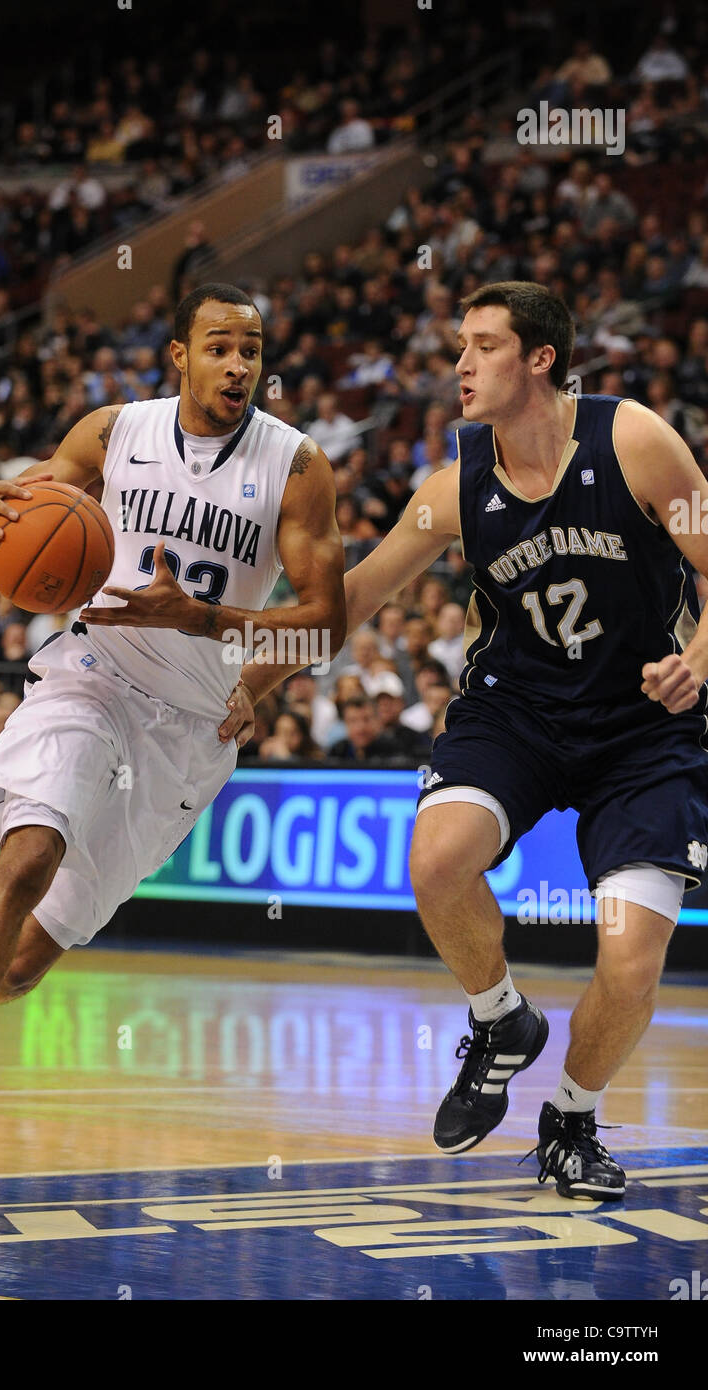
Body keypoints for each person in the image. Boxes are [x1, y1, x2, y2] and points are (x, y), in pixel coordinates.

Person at [0, 283, 346, 1185]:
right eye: (222, 347)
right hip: (93, 675)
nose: (241, 365)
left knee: (32, 957)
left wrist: (205, 621)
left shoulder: (297, 466)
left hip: (191, 729)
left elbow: (326, 624)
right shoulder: (113, 431)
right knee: (29, 852)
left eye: (255, 351)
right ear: (178, 356)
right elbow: (18, 504)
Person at [221, 280, 708, 1202]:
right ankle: (500, 1020)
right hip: (515, 711)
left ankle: (570, 1119)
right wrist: (255, 683)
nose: (461, 365)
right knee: (438, 859)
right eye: (459, 346)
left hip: (645, 729)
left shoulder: (632, 440)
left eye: (484, 345)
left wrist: (698, 657)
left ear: (540, 360)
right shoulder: (453, 487)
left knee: (631, 958)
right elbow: (355, 599)